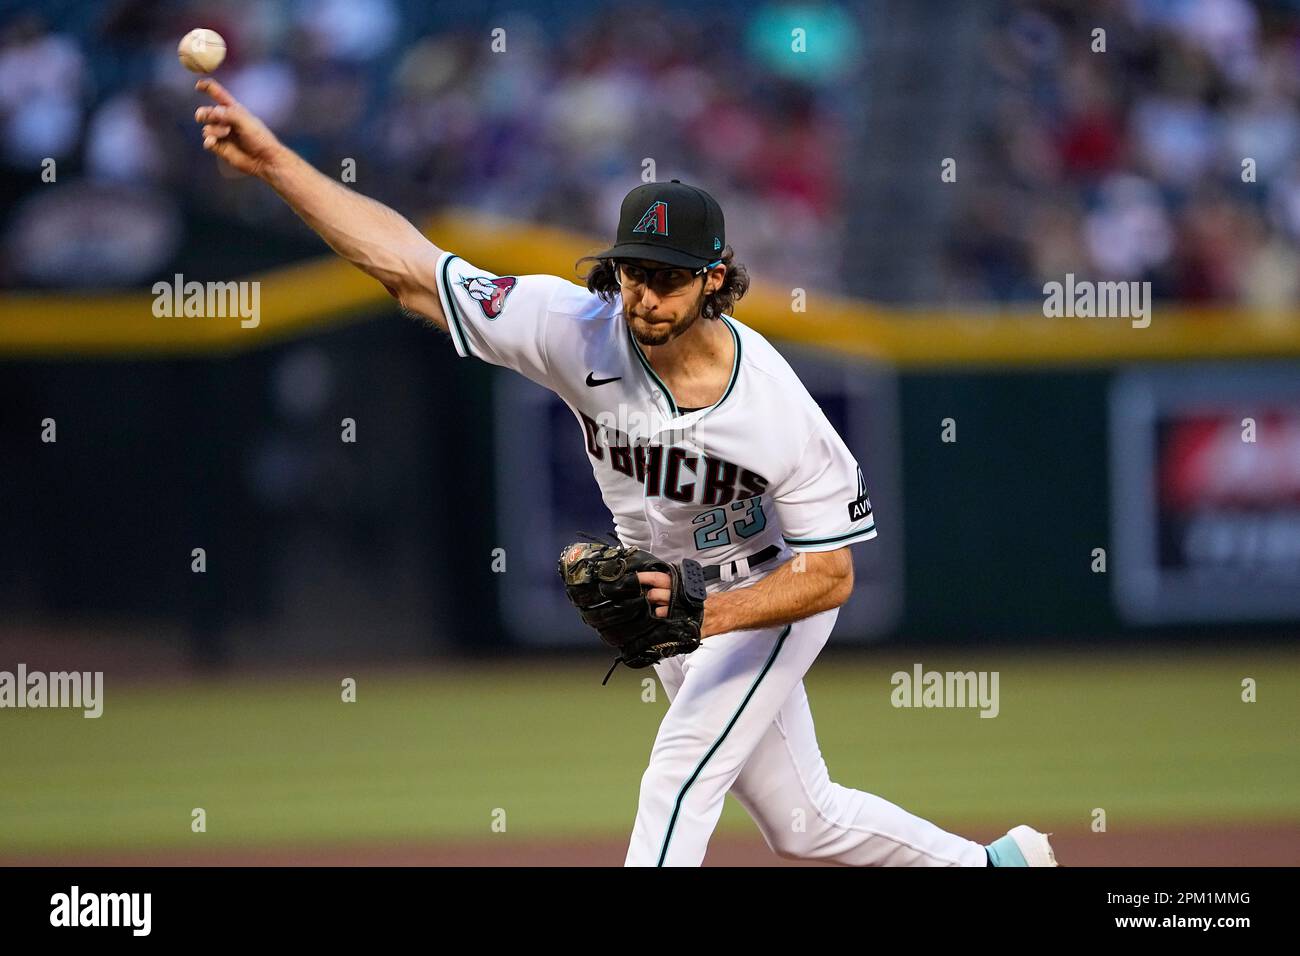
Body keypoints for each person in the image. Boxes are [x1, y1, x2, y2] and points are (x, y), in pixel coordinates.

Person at [192, 78, 1058, 868]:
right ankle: (998, 867)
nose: (643, 294)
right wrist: (273, 163)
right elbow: (409, 269)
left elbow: (831, 573)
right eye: (632, 272)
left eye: (667, 278)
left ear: (714, 280)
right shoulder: (576, 330)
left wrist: (708, 613)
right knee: (804, 823)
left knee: (676, 779)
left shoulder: (776, 409)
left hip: (766, 596)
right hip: (670, 599)